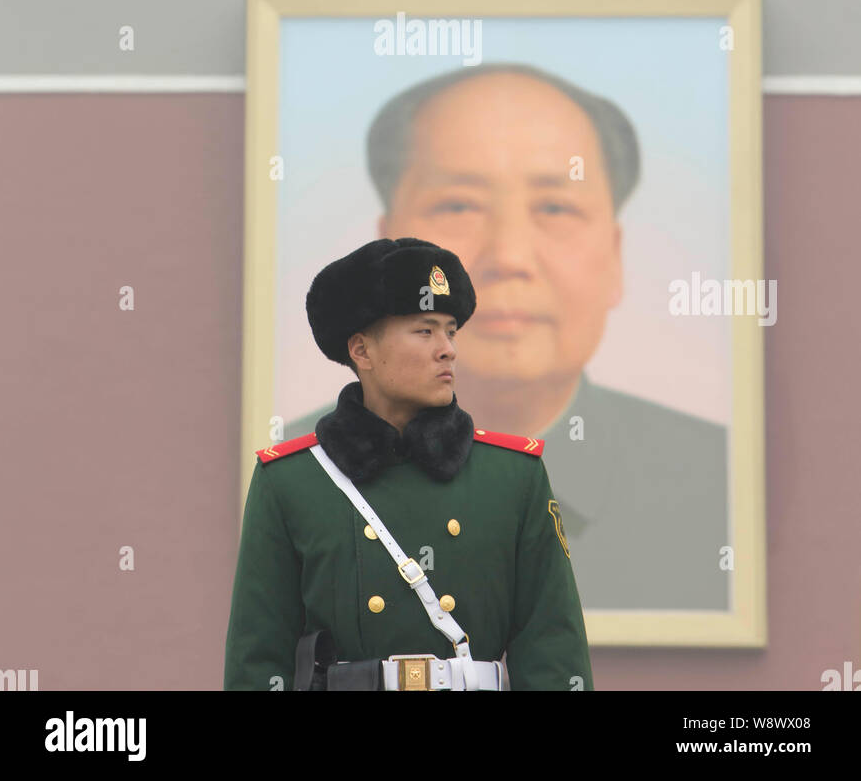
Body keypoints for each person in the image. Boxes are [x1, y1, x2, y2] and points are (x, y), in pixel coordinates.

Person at [286, 64, 729, 612]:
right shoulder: (301, 471)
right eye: (458, 206)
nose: (510, 257)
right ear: (386, 251)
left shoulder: (723, 486)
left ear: (614, 257)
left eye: (555, 207)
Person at [224, 236, 594, 691]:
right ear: (361, 350)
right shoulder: (292, 481)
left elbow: (552, 649)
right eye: (425, 330)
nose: (448, 349)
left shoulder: (513, 476)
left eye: (451, 330)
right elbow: (259, 660)